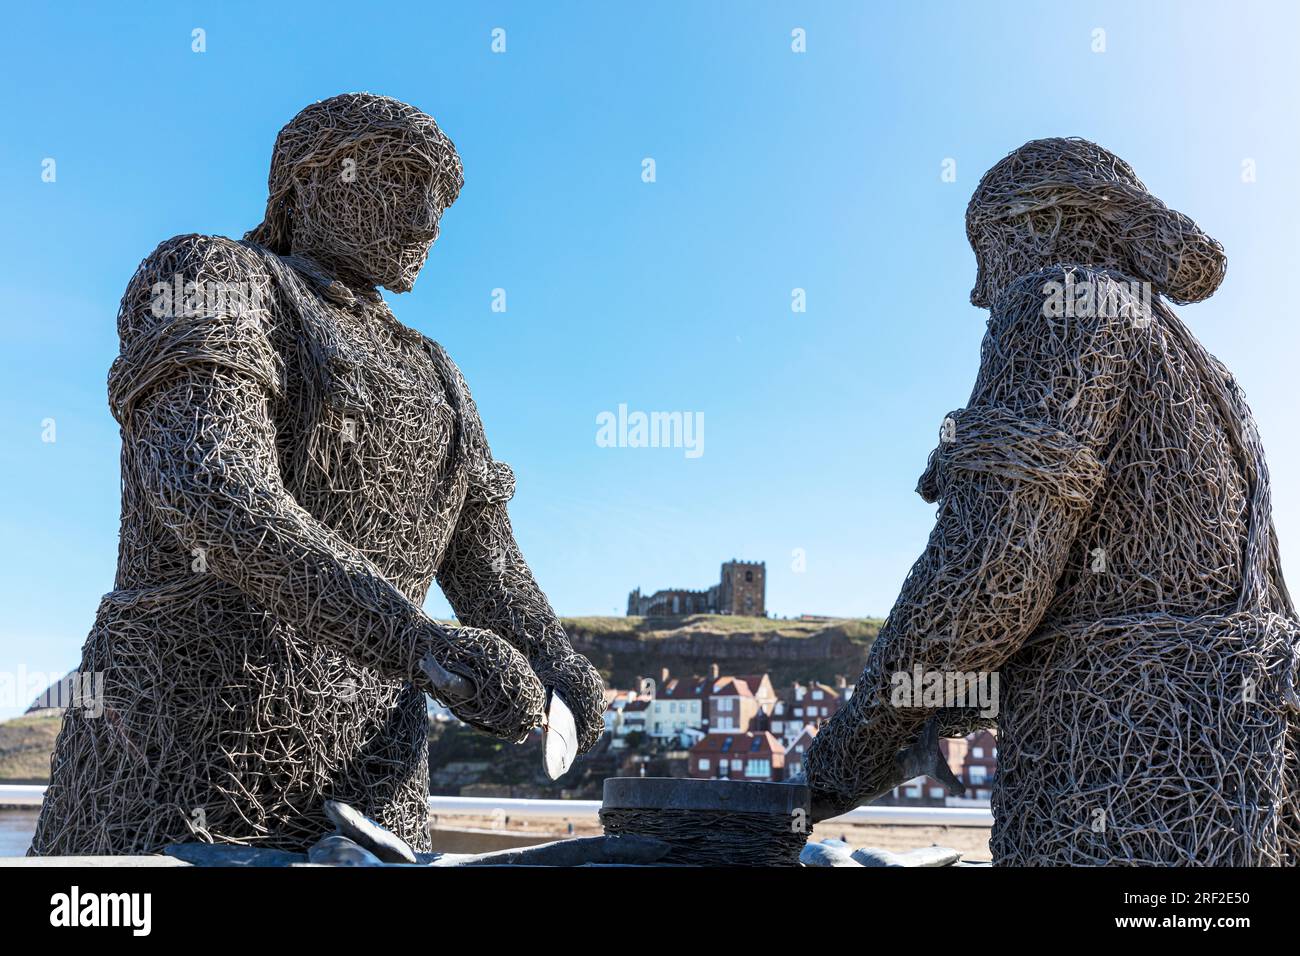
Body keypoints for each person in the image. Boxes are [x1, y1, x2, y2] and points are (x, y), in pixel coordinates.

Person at [32, 93, 605, 855]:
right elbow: (209, 487)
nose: (428, 219)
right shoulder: (216, 276)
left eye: (443, 198)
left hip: (373, 783)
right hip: (184, 757)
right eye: (402, 178)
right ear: (307, 178)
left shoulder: (435, 370)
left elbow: (484, 559)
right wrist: (417, 639)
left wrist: (553, 657)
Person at [803, 138, 1299, 865]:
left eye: (988, 246)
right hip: (1237, 782)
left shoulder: (1063, 305)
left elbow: (985, 580)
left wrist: (844, 757)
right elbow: (1136, 589)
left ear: (1048, 222)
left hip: (1119, 776)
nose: (979, 289)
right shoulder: (1209, 374)